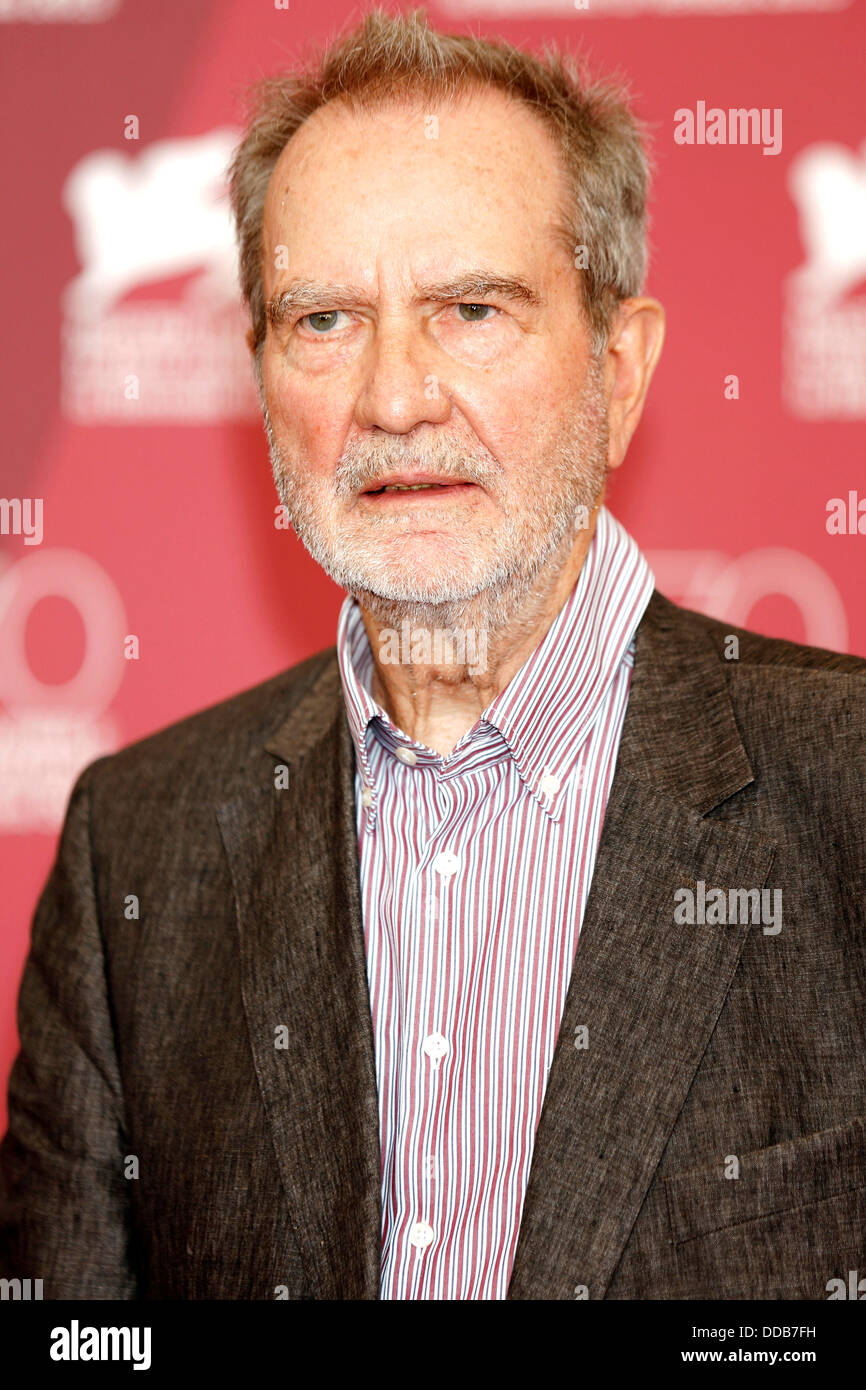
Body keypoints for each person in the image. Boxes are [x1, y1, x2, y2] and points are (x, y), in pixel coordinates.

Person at [1, 8, 863, 1301]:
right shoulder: (137, 849)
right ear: (259, 380)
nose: (394, 398)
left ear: (618, 373)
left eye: (470, 308)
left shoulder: (844, 792)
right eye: (324, 320)